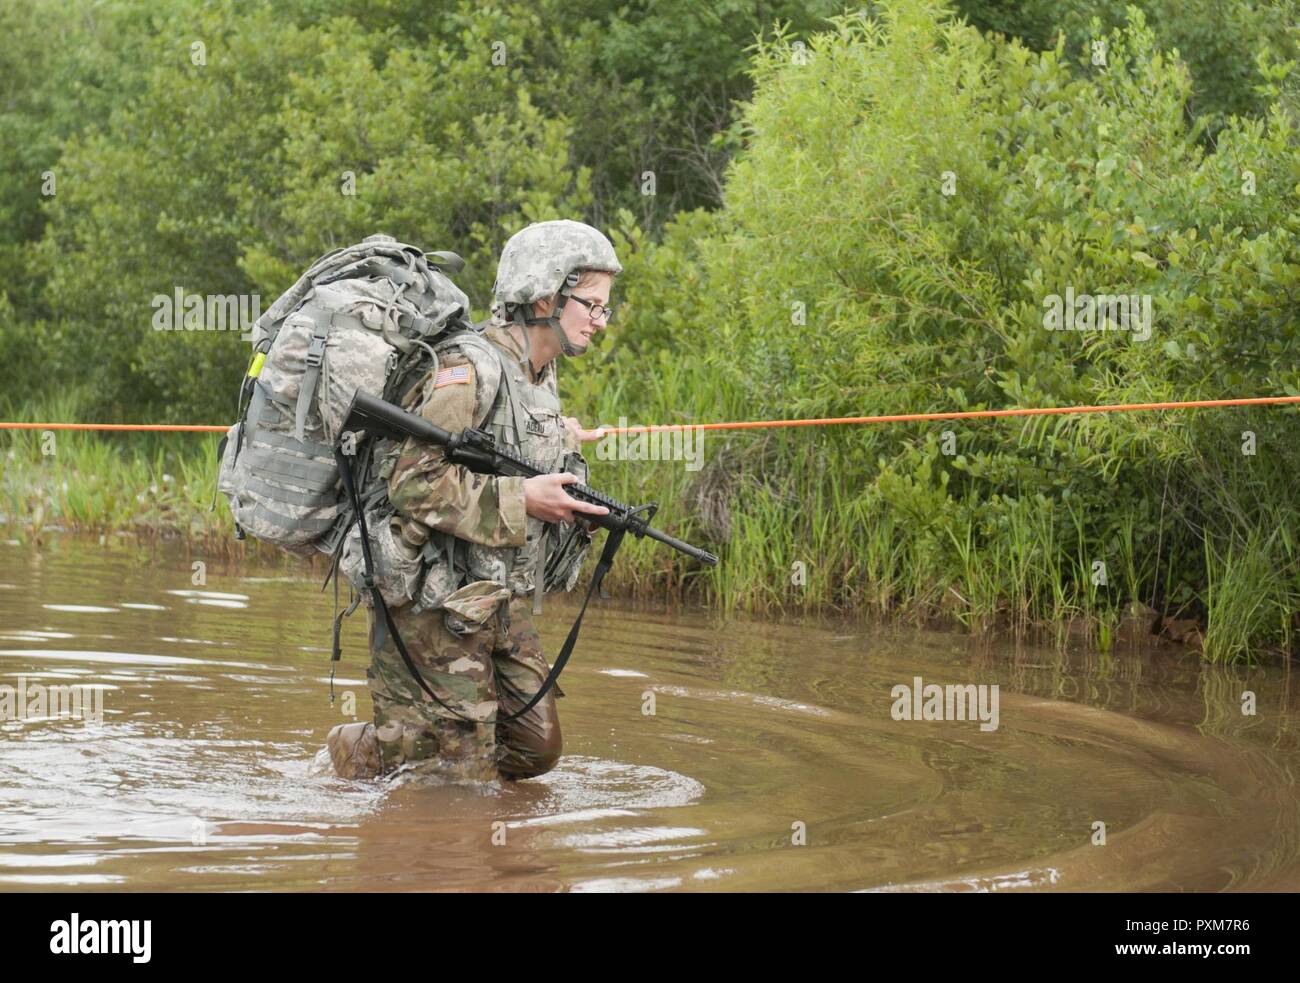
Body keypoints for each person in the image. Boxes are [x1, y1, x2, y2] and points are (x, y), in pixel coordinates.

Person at [325, 220, 621, 783]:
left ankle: (398, 744)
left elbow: (496, 451)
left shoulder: (540, 372)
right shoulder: (469, 370)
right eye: (592, 305)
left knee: (535, 746)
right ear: (544, 295)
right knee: (455, 780)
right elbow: (411, 484)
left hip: (494, 596)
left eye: (605, 308)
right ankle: (384, 751)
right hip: (429, 598)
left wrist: (559, 441)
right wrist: (523, 500)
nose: (600, 321)